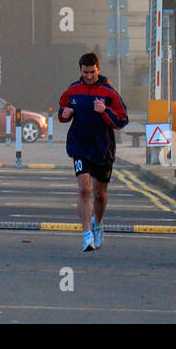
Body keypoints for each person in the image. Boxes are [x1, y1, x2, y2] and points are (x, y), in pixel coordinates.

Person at [58, 52, 129, 251]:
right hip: (79, 146)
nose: (89, 75)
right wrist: (65, 114)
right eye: (85, 72)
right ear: (80, 70)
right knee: (84, 189)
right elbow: (62, 111)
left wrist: (105, 111)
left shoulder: (109, 92)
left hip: (103, 148)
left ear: (98, 69)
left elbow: (122, 120)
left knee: (99, 194)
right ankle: (86, 234)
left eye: (92, 72)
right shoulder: (73, 90)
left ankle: (98, 224)